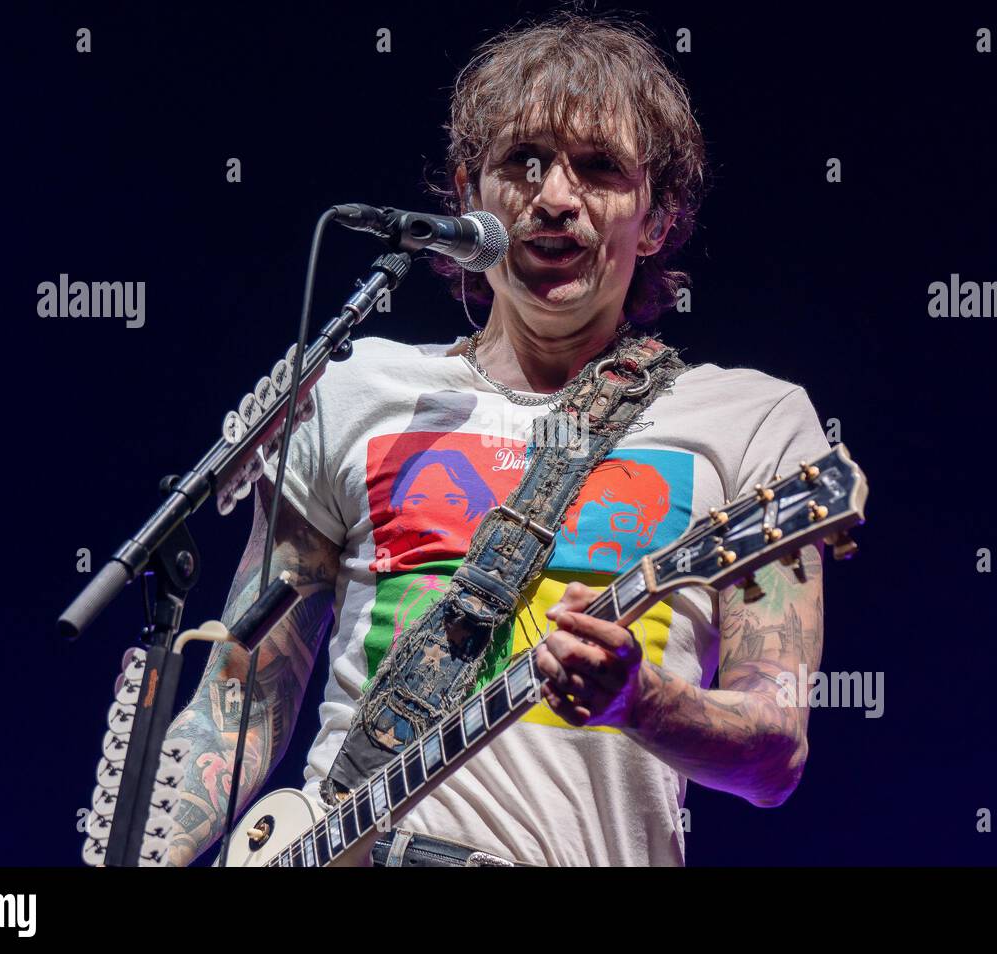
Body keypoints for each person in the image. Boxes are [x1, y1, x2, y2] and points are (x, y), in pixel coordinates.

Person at [164, 11, 829, 868]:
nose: (555, 197)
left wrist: (643, 702)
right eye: (524, 162)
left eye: (598, 169)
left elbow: (776, 754)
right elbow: (241, 697)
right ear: (470, 192)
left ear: (656, 217)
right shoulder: (355, 386)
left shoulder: (751, 421)